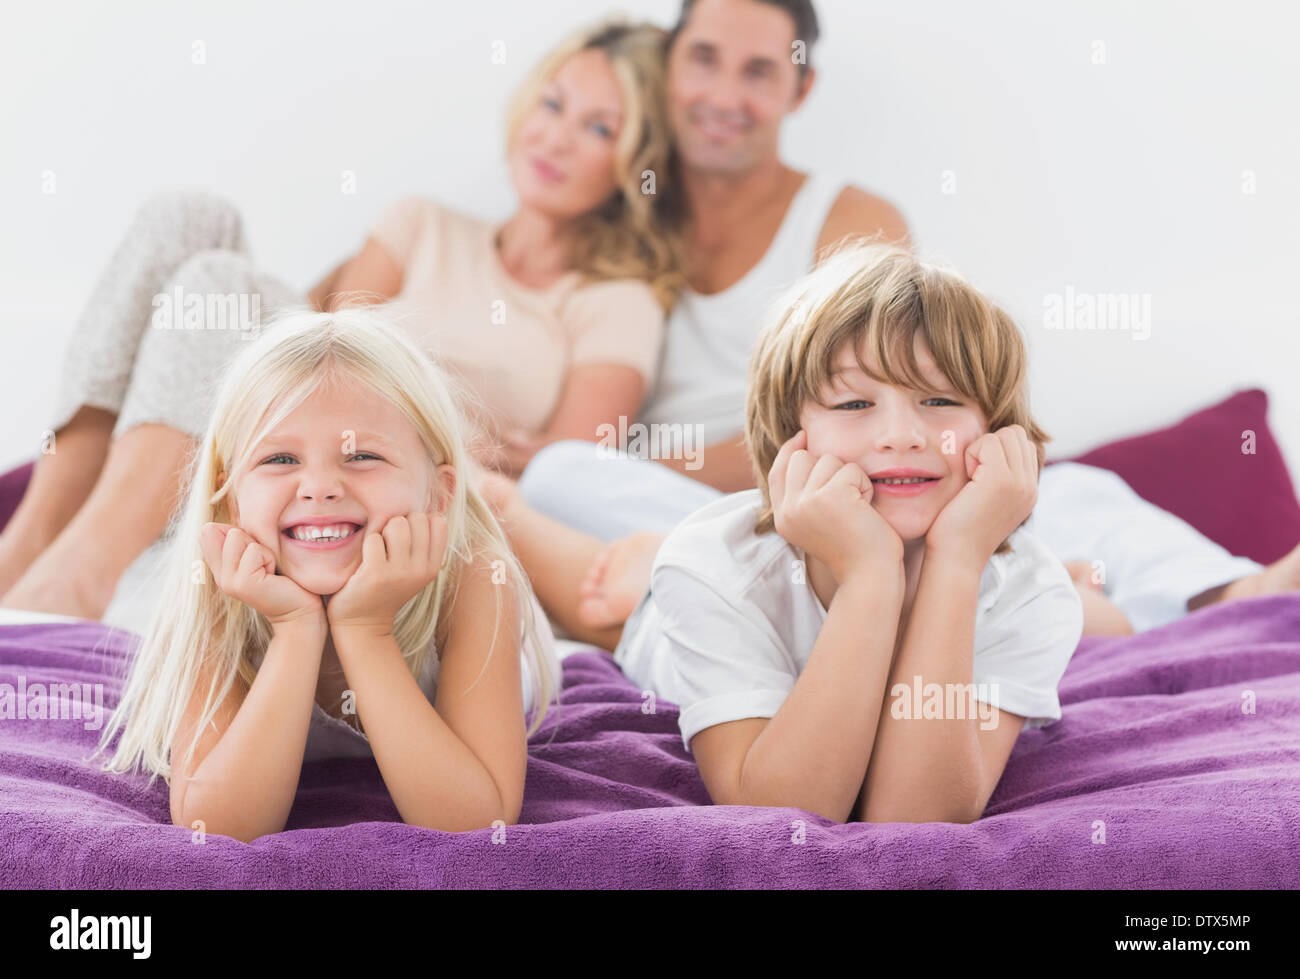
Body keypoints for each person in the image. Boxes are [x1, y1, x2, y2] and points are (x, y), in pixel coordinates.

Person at [510, 0, 1299, 638]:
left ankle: (1237, 594)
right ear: (669, 66)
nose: (723, 96)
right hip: (704, 503)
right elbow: (580, 440)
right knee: (560, 478)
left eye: (758, 71)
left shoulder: (848, 216)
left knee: (1074, 488)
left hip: (851, 466)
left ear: (798, 90)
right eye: (704, 60)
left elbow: (889, 402)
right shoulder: (617, 223)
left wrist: (798, 459)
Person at [0, 18, 685, 625]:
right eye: (553, 103)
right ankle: (31, 540)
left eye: (599, 127)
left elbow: (563, 469)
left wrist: (425, 427)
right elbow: (327, 358)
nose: (556, 137)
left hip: (378, 479)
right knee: (186, 216)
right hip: (299, 433)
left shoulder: (617, 300)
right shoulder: (423, 223)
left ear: (637, 161)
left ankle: (79, 578)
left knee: (221, 285)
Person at [499, 243, 1084, 824]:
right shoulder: (714, 567)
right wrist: (871, 575)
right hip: (676, 609)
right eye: (854, 402)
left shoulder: (1030, 592)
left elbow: (915, 816)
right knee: (561, 500)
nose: (902, 435)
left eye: (940, 399)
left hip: (746, 544)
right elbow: (784, 811)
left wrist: (955, 562)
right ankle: (498, 501)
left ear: (1000, 432)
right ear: (789, 440)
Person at [89, 308, 559, 842]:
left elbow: (478, 820)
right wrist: (294, 629)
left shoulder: (474, 578)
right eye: (281, 459)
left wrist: (366, 630)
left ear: (438, 492)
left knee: (552, 549)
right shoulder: (216, 591)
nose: (318, 487)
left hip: (485, 597)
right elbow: (216, 826)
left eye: (360, 455)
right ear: (231, 495)